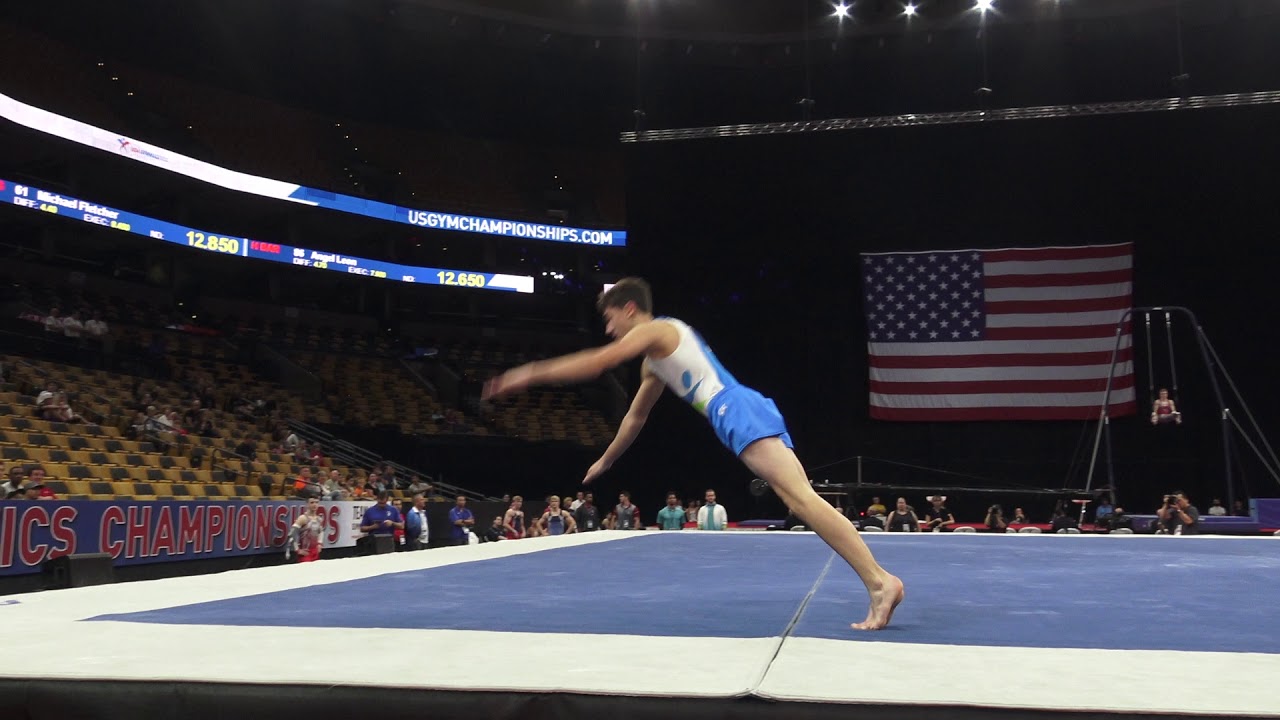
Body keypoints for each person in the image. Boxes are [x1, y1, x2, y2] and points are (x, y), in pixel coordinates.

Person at [483, 277, 903, 630]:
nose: (610, 329)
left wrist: (529, 373)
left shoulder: (657, 329)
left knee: (802, 500)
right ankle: (878, 581)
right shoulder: (654, 360)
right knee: (800, 499)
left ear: (630, 309)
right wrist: (607, 460)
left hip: (734, 407)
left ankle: (880, 581)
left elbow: (599, 361)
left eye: (610, 319)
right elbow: (635, 418)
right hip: (735, 410)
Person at [286, 497, 325, 563]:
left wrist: (319, 543)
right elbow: (291, 534)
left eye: (316, 502)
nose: (314, 505)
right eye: (312, 502)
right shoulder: (303, 518)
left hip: (315, 552)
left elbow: (321, 531)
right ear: (307, 504)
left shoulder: (319, 519)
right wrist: (297, 549)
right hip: (305, 553)